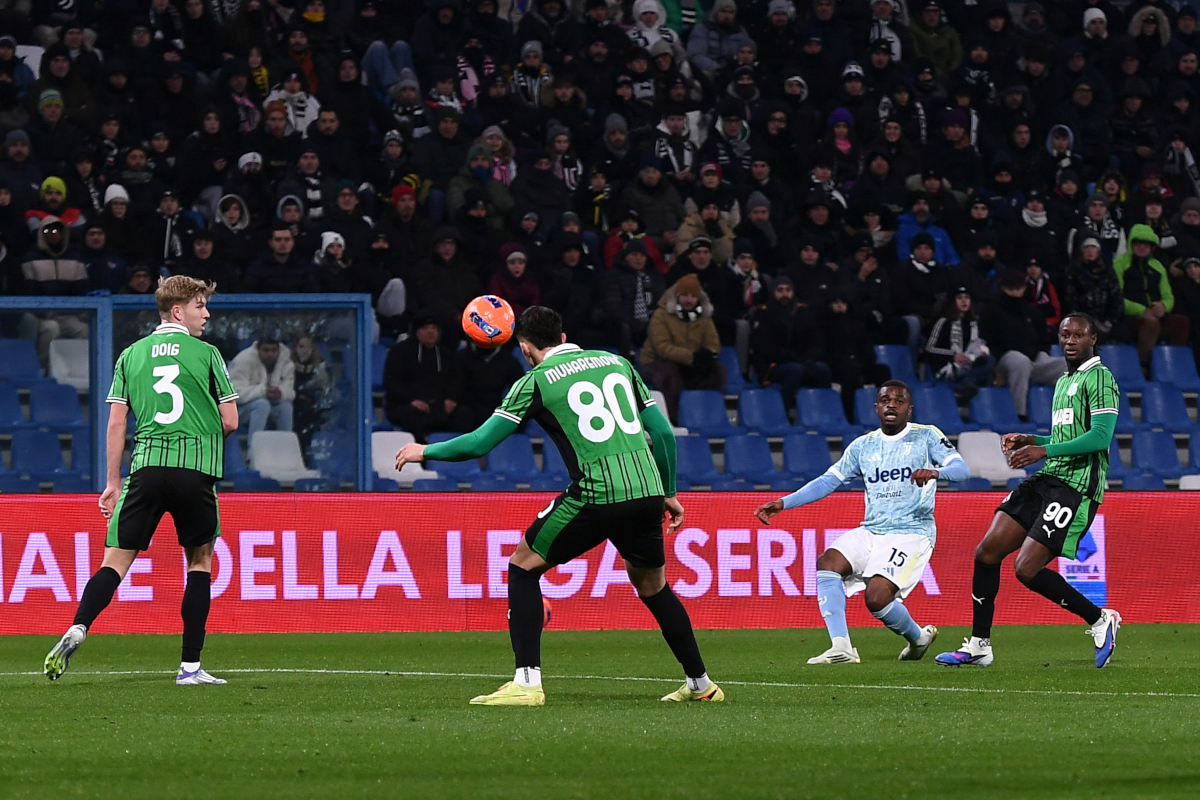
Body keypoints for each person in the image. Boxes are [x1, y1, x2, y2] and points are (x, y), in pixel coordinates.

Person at [396, 306, 721, 705]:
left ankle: (526, 683)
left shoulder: (535, 381)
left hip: (598, 492)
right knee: (655, 587)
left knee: (522, 566)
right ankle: (701, 684)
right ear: (563, 337)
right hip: (647, 490)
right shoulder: (617, 363)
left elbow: (479, 443)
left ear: (524, 347)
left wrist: (425, 450)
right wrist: (667, 491)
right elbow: (663, 435)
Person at [44, 276, 239, 685]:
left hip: (145, 469)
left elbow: (117, 424)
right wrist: (199, 438)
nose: (207, 314)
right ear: (177, 311)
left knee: (114, 562)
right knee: (199, 562)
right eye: (200, 306)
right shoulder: (207, 354)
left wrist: (113, 483)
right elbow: (230, 421)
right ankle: (190, 668)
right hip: (194, 470)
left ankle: (79, 625)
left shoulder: (130, 356)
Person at [937, 314, 1123, 669]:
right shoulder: (1065, 380)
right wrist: (1032, 439)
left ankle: (1100, 619)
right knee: (987, 552)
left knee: (1026, 569)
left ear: (1093, 340)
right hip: (1049, 478)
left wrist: (1043, 450)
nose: (1070, 340)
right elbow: (1067, 437)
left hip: (1076, 486)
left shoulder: (1100, 378)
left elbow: (1100, 437)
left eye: (1079, 335)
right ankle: (979, 645)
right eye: (1065, 334)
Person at [755, 381, 969, 663]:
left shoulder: (926, 436)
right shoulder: (863, 446)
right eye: (886, 400)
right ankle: (841, 647)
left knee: (876, 598)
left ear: (909, 409)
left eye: (899, 401)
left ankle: (917, 637)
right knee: (828, 562)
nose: (892, 405)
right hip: (872, 529)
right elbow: (828, 481)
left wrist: (935, 472)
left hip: (912, 532)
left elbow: (961, 469)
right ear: (877, 407)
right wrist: (784, 502)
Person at [638, 274, 726, 423]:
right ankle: (672, 419)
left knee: (717, 370)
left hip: (688, 363)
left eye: (693, 296)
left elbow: (713, 343)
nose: (689, 300)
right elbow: (662, 348)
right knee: (670, 374)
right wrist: (692, 357)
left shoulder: (704, 317)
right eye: (685, 295)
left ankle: (708, 415)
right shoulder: (661, 315)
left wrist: (707, 355)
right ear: (677, 296)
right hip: (655, 362)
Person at [382, 312, 473, 442]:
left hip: (438, 406)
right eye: (425, 328)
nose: (430, 332)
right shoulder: (399, 352)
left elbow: (457, 381)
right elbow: (391, 383)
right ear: (416, 331)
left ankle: (455, 450)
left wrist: (451, 399)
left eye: (434, 328)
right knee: (411, 416)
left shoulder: (446, 355)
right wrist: (412, 400)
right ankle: (421, 450)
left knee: (464, 415)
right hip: (407, 404)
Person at [924, 287, 995, 398]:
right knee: (987, 369)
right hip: (948, 366)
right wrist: (953, 356)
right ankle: (967, 386)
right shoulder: (943, 322)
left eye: (967, 298)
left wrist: (979, 353)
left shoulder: (973, 324)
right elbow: (929, 349)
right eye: (959, 298)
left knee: (988, 362)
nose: (964, 301)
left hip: (968, 363)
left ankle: (971, 393)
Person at [230, 338, 295, 436]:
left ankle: (285, 443)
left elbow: (290, 389)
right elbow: (234, 393)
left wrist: (281, 393)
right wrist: (263, 391)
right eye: (266, 350)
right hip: (240, 409)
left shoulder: (286, 361)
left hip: (271, 405)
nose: (270, 354)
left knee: (285, 407)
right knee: (262, 405)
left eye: (273, 350)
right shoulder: (243, 360)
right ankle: (254, 443)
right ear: (258, 349)